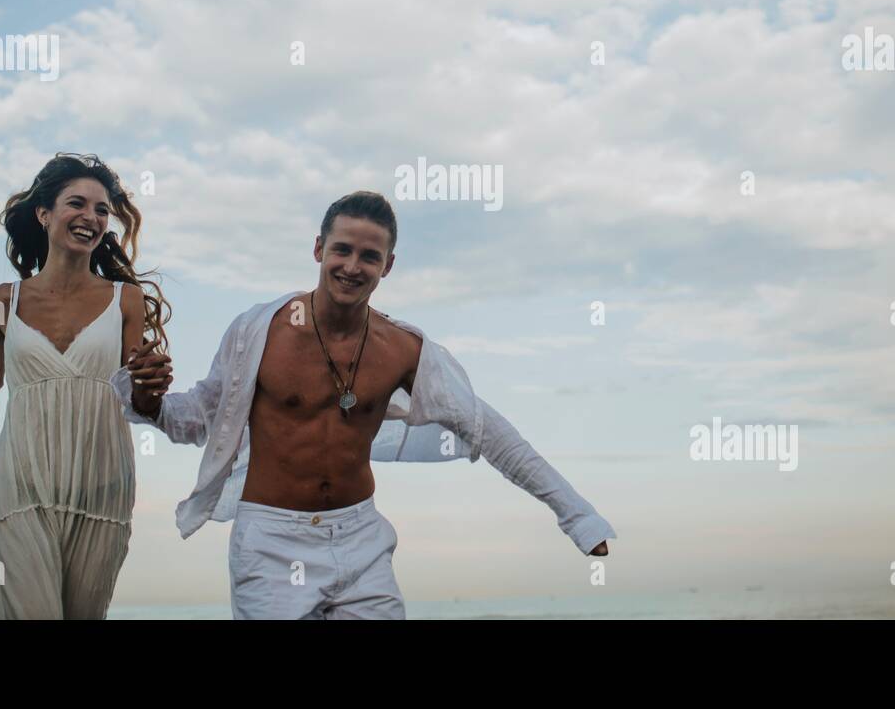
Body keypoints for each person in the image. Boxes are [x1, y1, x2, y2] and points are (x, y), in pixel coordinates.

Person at [119, 190, 614, 619]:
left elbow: (490, 432)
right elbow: (200, 417)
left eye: (369, 256)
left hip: (360, 538)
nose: (353, 267)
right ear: (318, 249)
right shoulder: (260, 331)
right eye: (342, 250)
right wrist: (147, 399)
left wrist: (576, 516)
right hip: (271, 543)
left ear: (388, 266)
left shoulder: (403, 348)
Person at [0, 153, 173, 619]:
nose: (91, 216)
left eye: (102, 209)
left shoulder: (124, 299)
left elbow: (139, 399)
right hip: (20, 479)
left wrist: (154, 384)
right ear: (44, 214)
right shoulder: (0, 301)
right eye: (77, 203)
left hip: (100, 482)